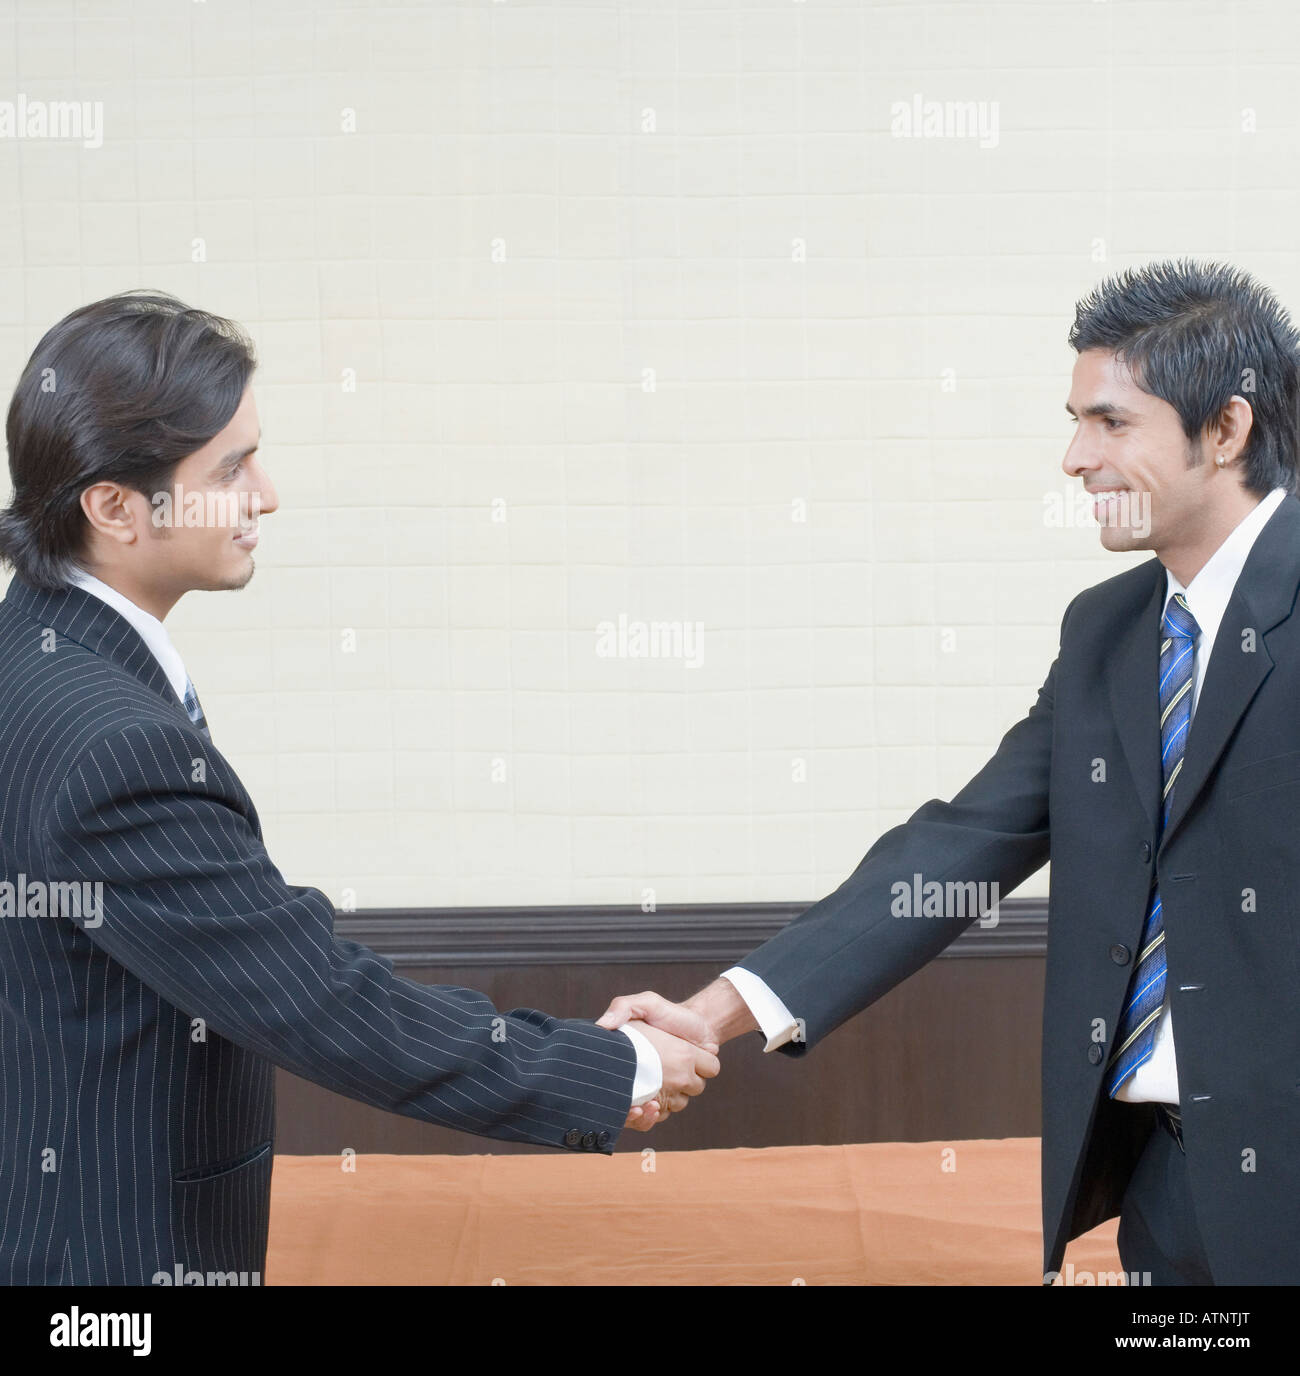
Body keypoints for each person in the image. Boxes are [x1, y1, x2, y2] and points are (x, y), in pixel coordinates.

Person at [601, 259, 1300, 1286]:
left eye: (1111, 422)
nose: (1075, 457)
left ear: (1226, 428)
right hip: (1166, 1187)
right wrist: (712, 1014)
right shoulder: (1106, 632)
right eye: (1075, 421)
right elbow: (961, 845)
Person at [0, 290, 718, 1286]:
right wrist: (614, 1066)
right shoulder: (111, 744)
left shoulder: (36, 661)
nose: (266, 496)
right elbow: (316, 1000)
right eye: (230, 469)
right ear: (116, 507)